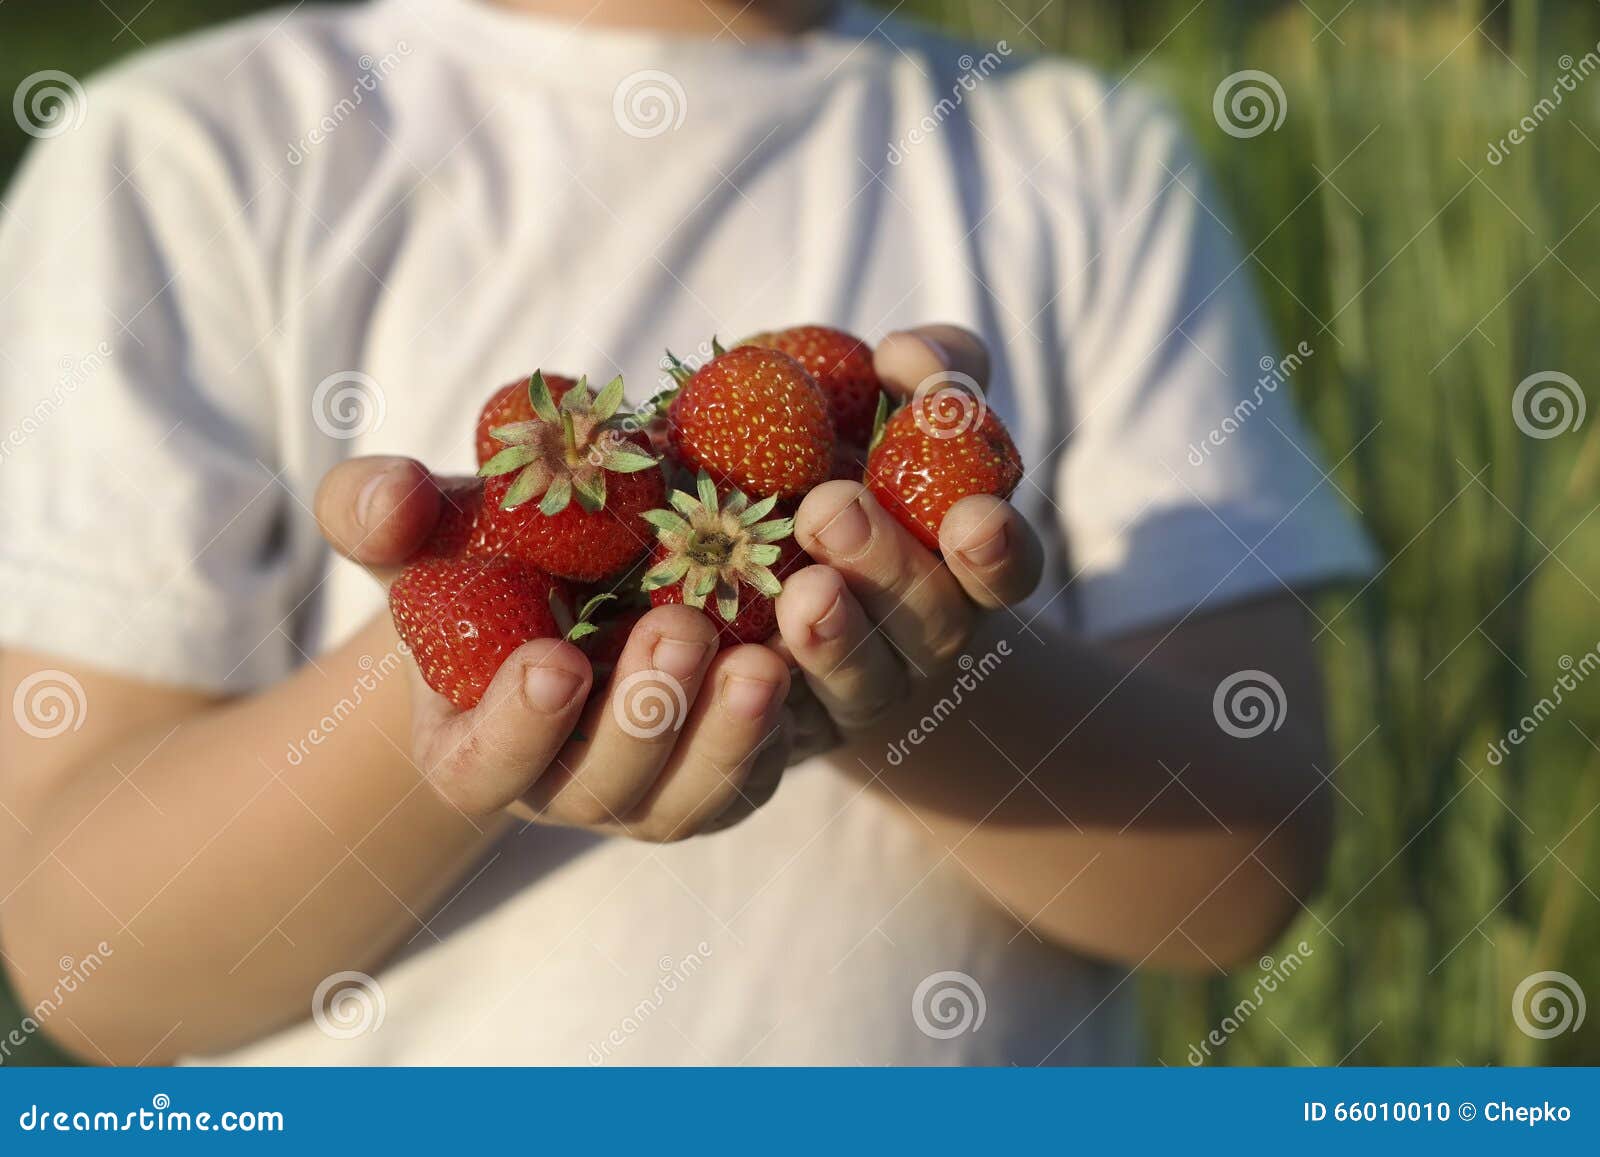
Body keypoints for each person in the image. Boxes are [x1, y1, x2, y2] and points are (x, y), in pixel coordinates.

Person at [0, 0, 1373, 1065]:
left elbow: (1239, 863)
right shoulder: (191, 156)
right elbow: (94, 961)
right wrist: (468, 669)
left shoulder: (1085, 160)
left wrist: (922, 682)